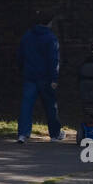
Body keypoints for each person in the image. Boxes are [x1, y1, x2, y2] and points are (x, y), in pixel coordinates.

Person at [17, 12, 65, 143]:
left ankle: (23, 133)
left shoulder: (27, 36)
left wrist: (22, 69)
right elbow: (54, 60)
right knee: (50, 106)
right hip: (46, 77)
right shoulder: (51, 38)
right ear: (49, 23)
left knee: (26, 105)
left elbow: (20, 55)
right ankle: (54, 134)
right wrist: (54, 78)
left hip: (30, 75)